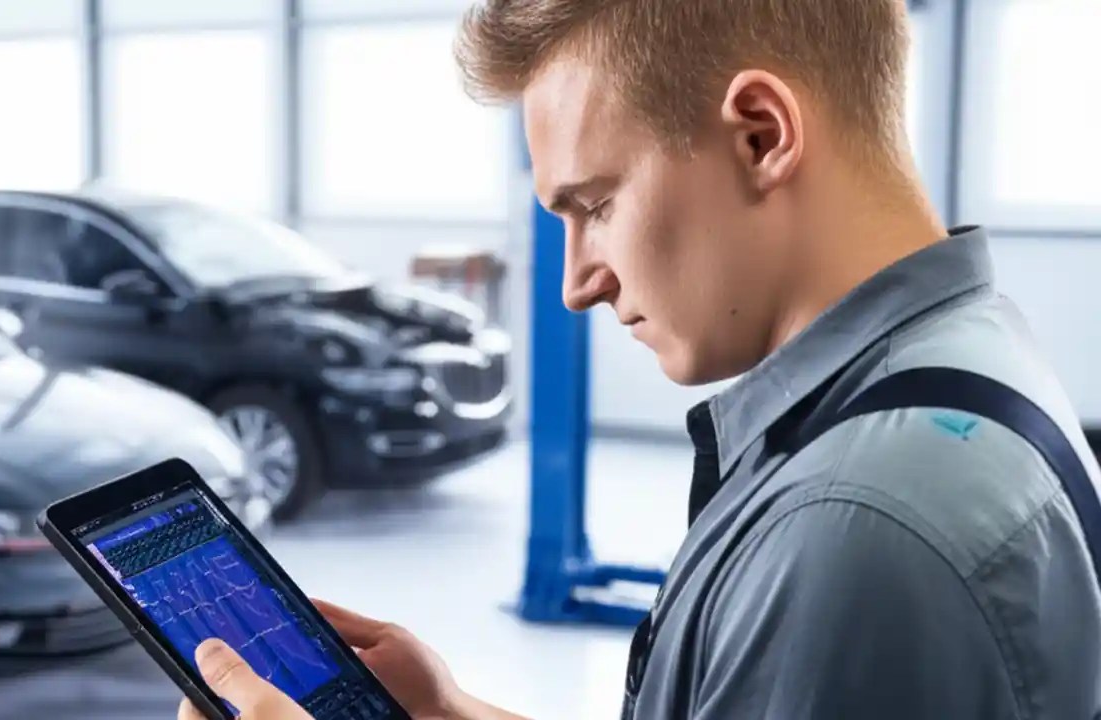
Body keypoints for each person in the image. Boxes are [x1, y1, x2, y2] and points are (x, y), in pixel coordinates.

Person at [179, 0, 1101, 718]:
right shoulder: (961, 365)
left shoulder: (856, 528)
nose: (578, 283)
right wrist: (452, 711)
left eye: (595, 203)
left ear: (761, 135)